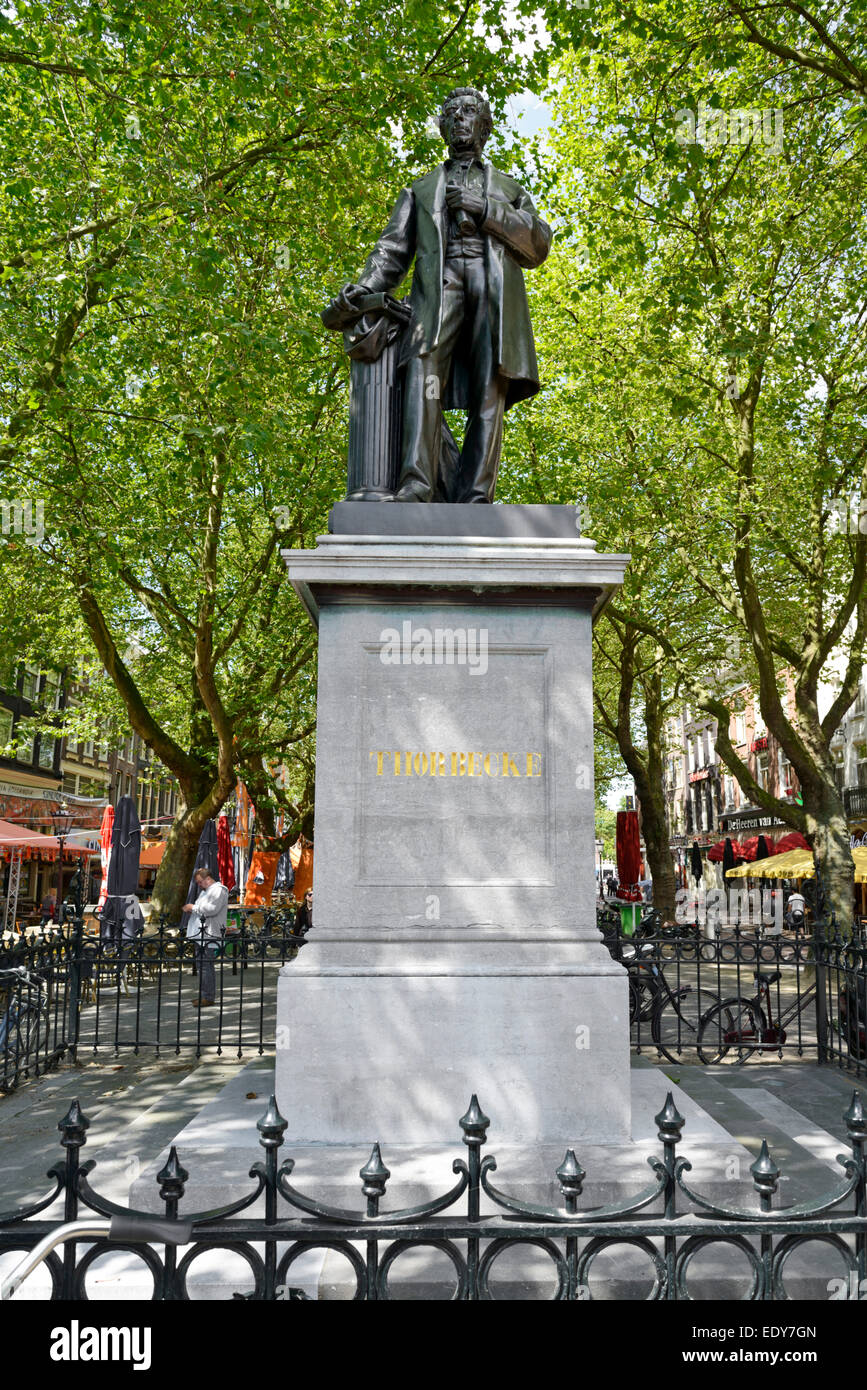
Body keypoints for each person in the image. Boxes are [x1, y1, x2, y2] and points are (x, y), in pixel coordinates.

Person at [333, 87, 551, 504]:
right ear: (442, 127)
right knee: (423, 375)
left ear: (484, 125)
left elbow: (538, 244)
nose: (459, 119)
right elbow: (391, 251)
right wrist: (363, 289)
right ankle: (417, 484)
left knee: (491, 386)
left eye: (469, 112)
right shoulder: (420, 189)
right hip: (439, 287)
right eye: (450, 113)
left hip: (492, 291)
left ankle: (475, 496)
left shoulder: (507, 188)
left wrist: (485, 209)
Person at [183, 868, 228, 1008]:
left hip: (208, 933)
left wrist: (193, 907)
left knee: (205, 966)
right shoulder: (207, 891)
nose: (199, 885)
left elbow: (211, 909)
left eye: (200, 882)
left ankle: (207, 996)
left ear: (207, 879)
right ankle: (205, 995)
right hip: (201, 934)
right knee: (203, 966)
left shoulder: (219, 890)